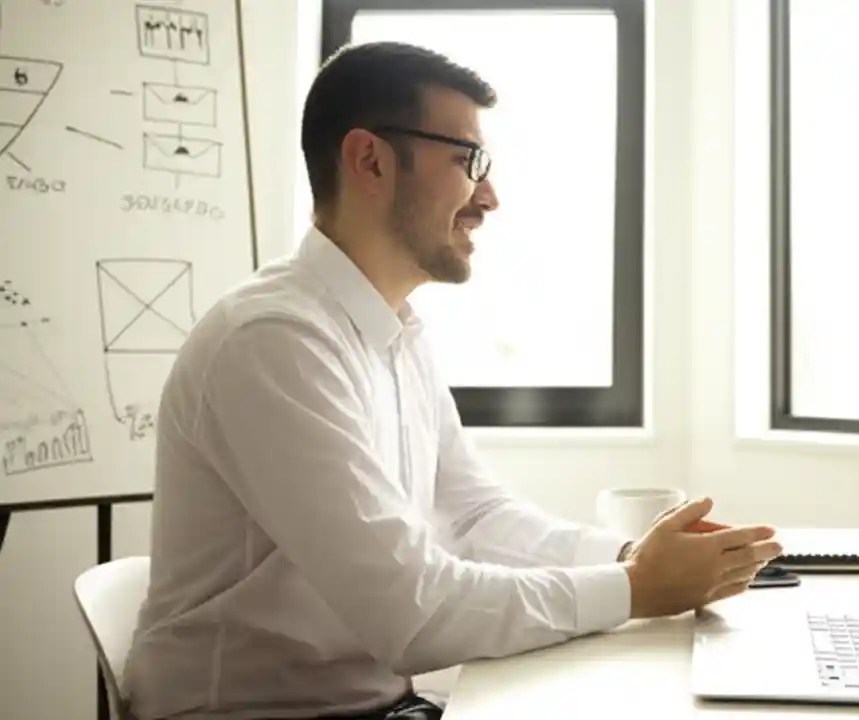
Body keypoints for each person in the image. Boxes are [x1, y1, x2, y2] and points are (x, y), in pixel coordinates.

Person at [121, 42, 782, 720]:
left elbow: (473, 517)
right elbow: (412, 611)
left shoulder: (393, 332)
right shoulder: (271, 344)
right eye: (468, 162)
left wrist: (633, 556)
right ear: (370, 160)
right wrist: (635, 588)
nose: (488, 197)